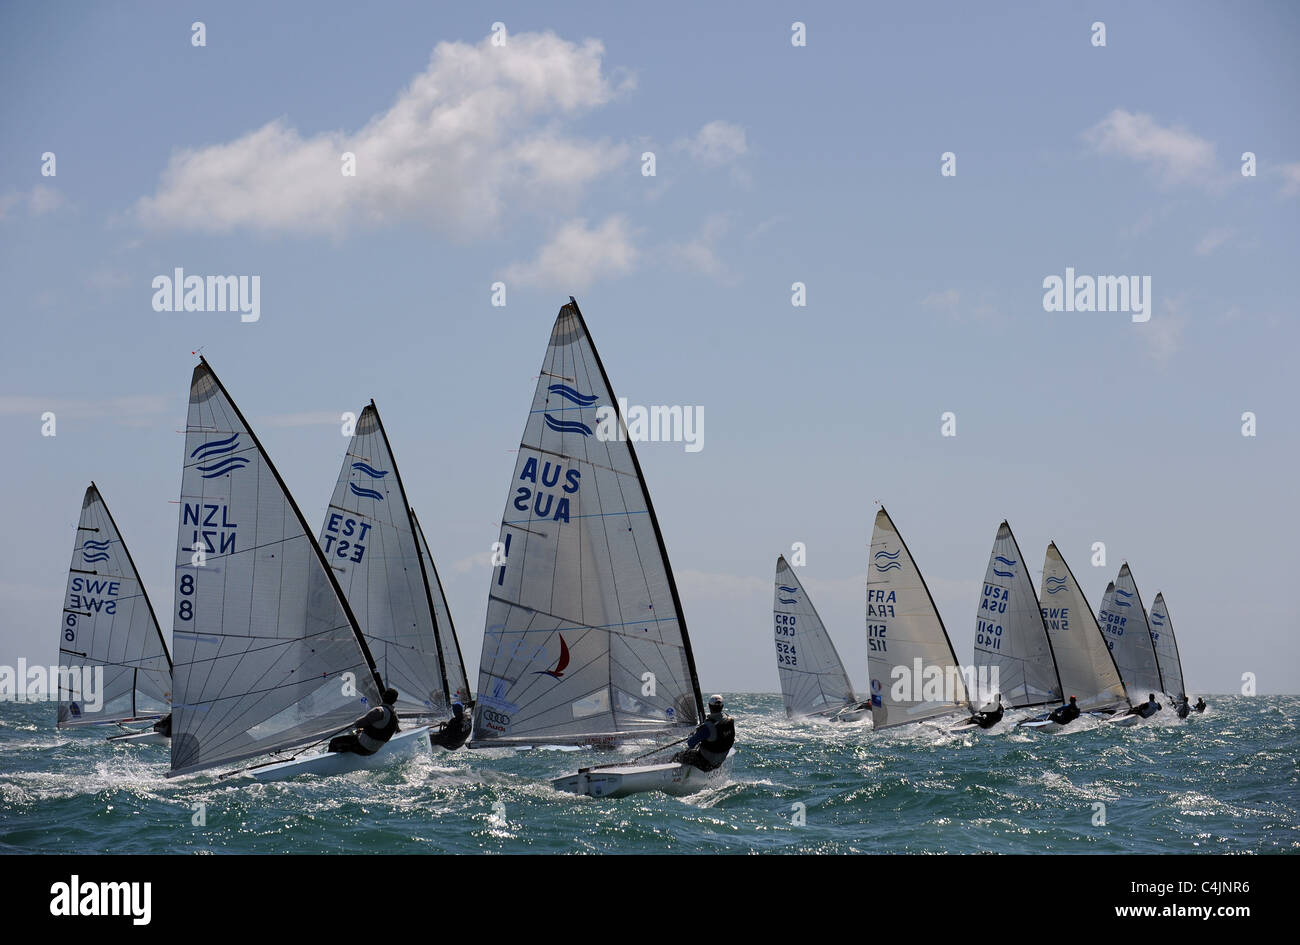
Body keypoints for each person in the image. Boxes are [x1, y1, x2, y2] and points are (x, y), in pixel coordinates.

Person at [328, 687, 400, 756]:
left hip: (362, 747)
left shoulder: (379, 710)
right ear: (395, 700)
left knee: (334, 742)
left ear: (383, 695)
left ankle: (329, 762)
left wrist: (357, 723)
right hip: (373, 750)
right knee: (351, 739)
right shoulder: (394, 715)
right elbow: (381, 730)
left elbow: (358, 724)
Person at [672, 694, 735, 772]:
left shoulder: (707, 727)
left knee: (678, 756)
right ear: (722, 706)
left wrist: (691, 736)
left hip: (706, 764)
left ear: (709, 706)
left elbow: (690, 743)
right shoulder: (729, 721)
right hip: (719, 762)